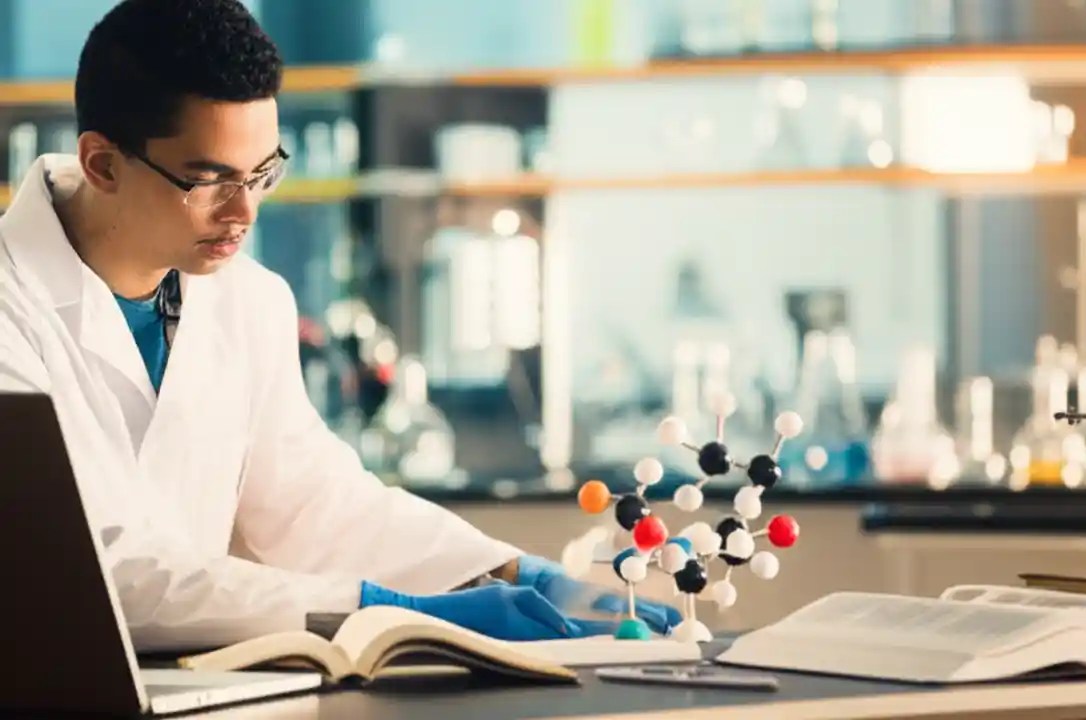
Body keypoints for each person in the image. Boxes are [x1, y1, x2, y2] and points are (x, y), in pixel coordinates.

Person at [0, 0, 678, 651]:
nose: (244, 212)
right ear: (102, 163)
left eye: (262, 173)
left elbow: (314, 505)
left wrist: (507, 572)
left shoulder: (249, 301)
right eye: (208, 180)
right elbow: (97, 566)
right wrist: (387, 611)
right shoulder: (11, 304)